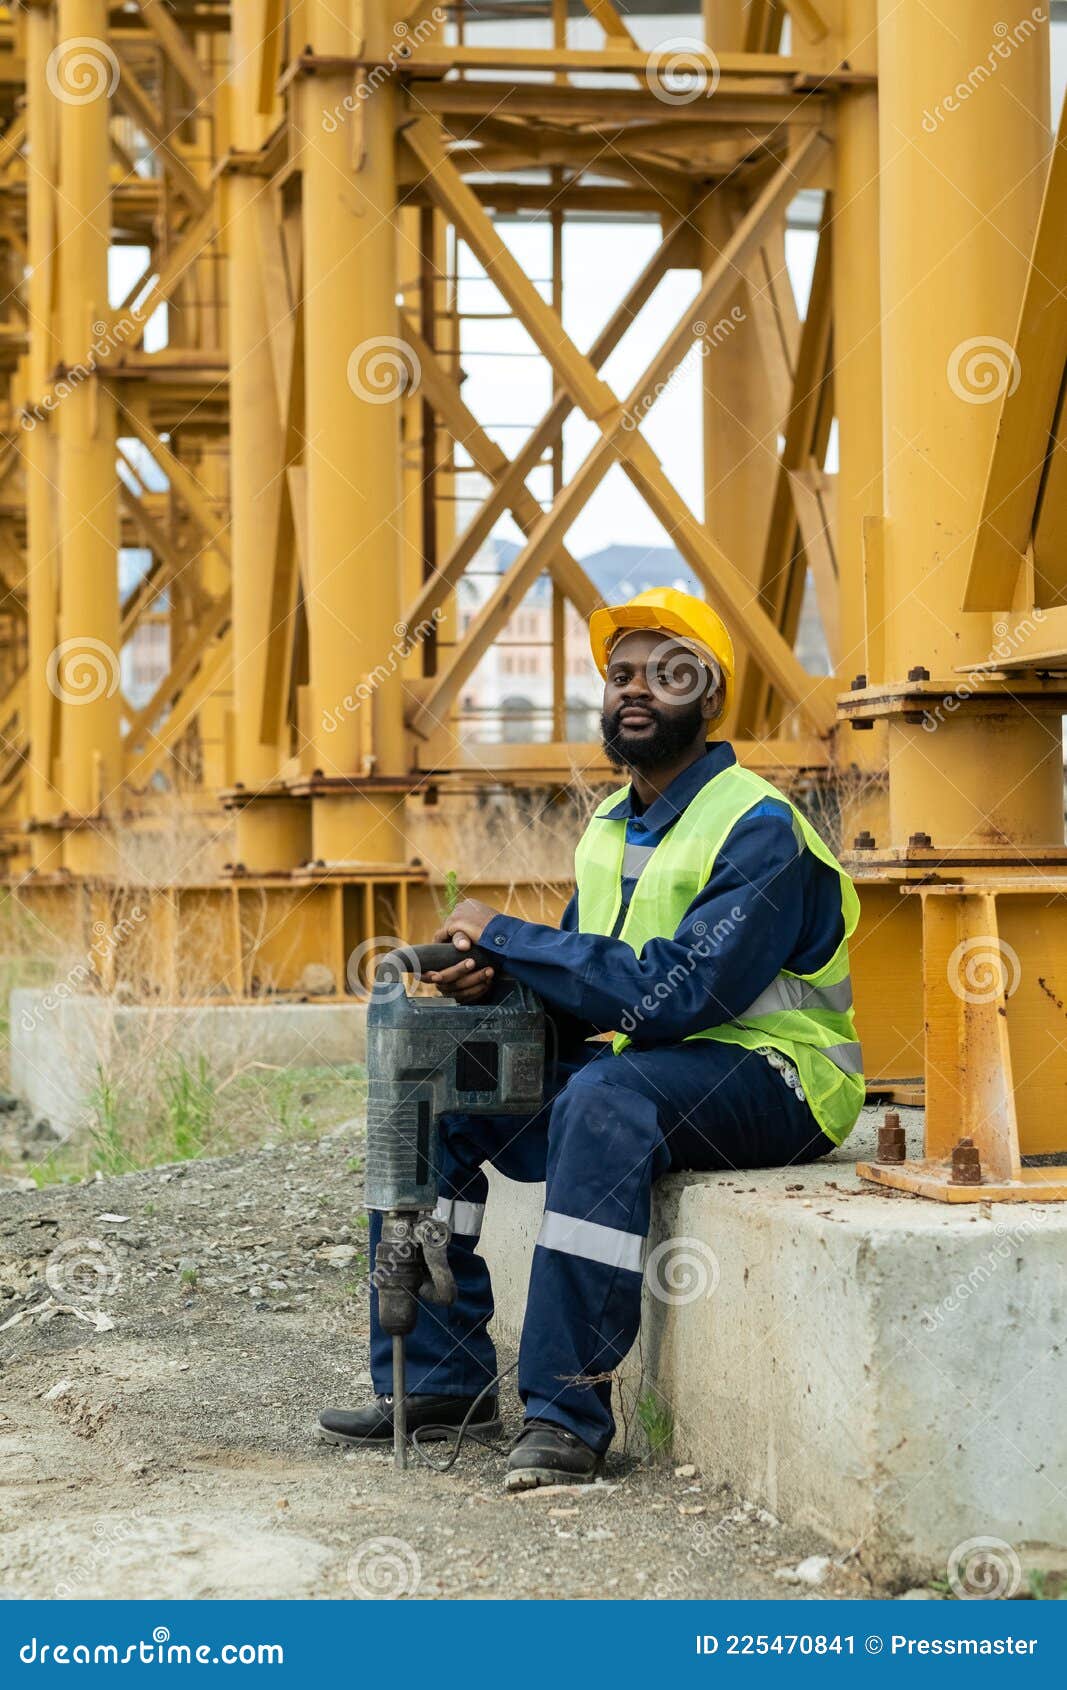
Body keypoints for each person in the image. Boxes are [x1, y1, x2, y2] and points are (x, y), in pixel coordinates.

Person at [319, 588, 863, 1488]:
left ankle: (566, 1412)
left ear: (710, 697)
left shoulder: (758, 827)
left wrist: (508, 937)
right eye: (620, 676)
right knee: (437, 1078)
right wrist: (497, 982)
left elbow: (675, 995)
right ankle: (441, 1380)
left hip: (779, 1082)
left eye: (667, 672)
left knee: (601, 1098)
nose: (636, 689)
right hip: (656, 1070)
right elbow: (593, 986)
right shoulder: (610, 825)